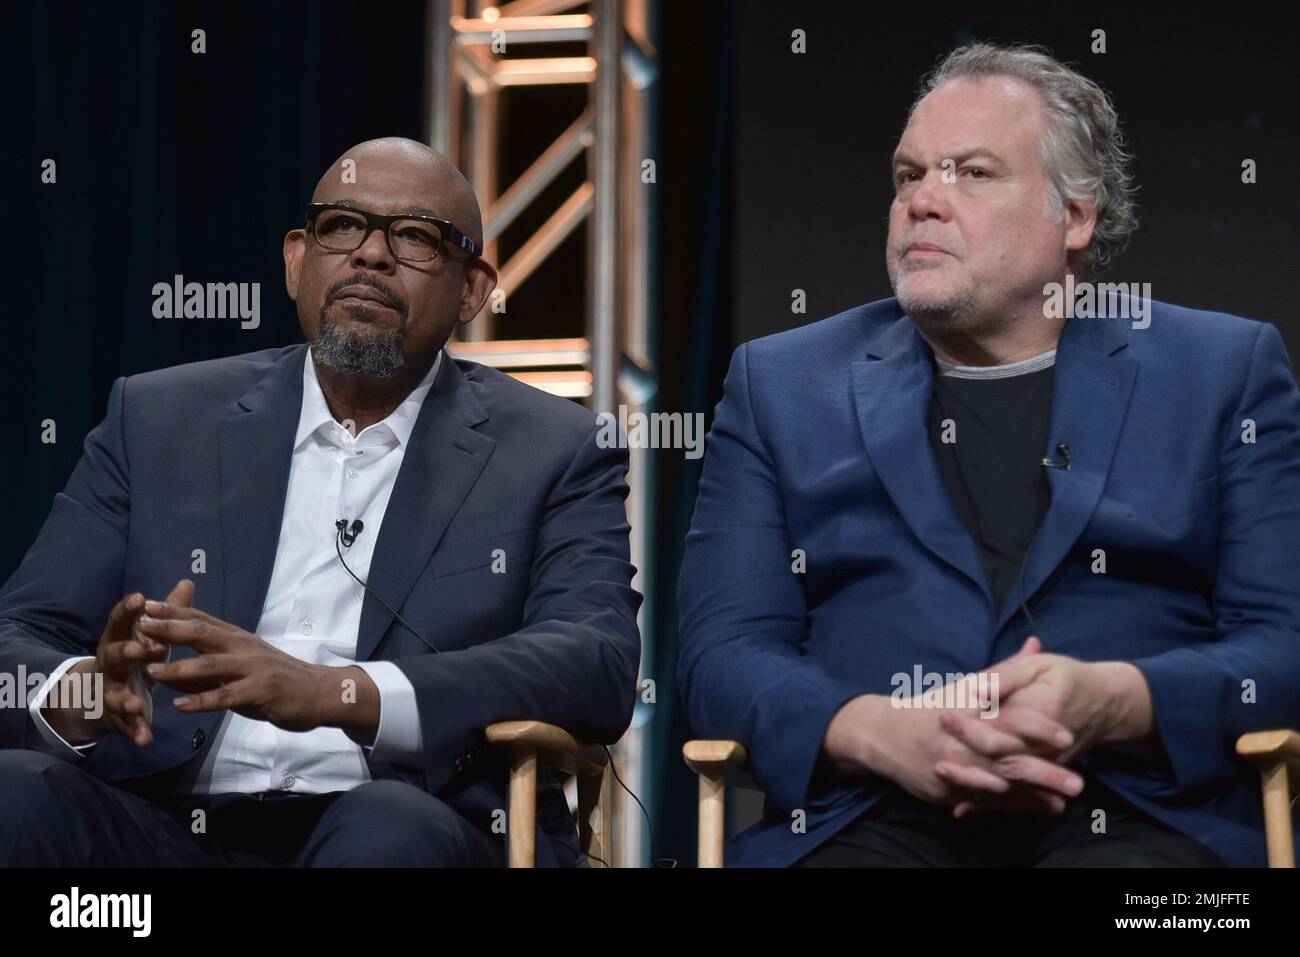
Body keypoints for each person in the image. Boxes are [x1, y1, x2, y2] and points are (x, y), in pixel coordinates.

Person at [677, 42, 1300, 867]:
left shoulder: (1222, 371)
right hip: (870, 813)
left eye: (972, 172)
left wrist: (1117, 701)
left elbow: (1284, 642)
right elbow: (720, 657)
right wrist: (877, 730)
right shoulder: (782, 384)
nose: (924, 202)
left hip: (1141, 813)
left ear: (1074, 215)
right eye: (909, 175)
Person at [0, 137, 642, 867]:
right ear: (296, 259)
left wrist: (336, 691)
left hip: (402, 826)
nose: (371, 255)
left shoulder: (553, 447)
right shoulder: (156, 418)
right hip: (163, 830)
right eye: (343, 225)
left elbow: (596, 657)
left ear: (471, 290)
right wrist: (84, 690)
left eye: (416, 238)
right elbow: (17, 635)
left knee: (385, 833)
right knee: (16, 796)